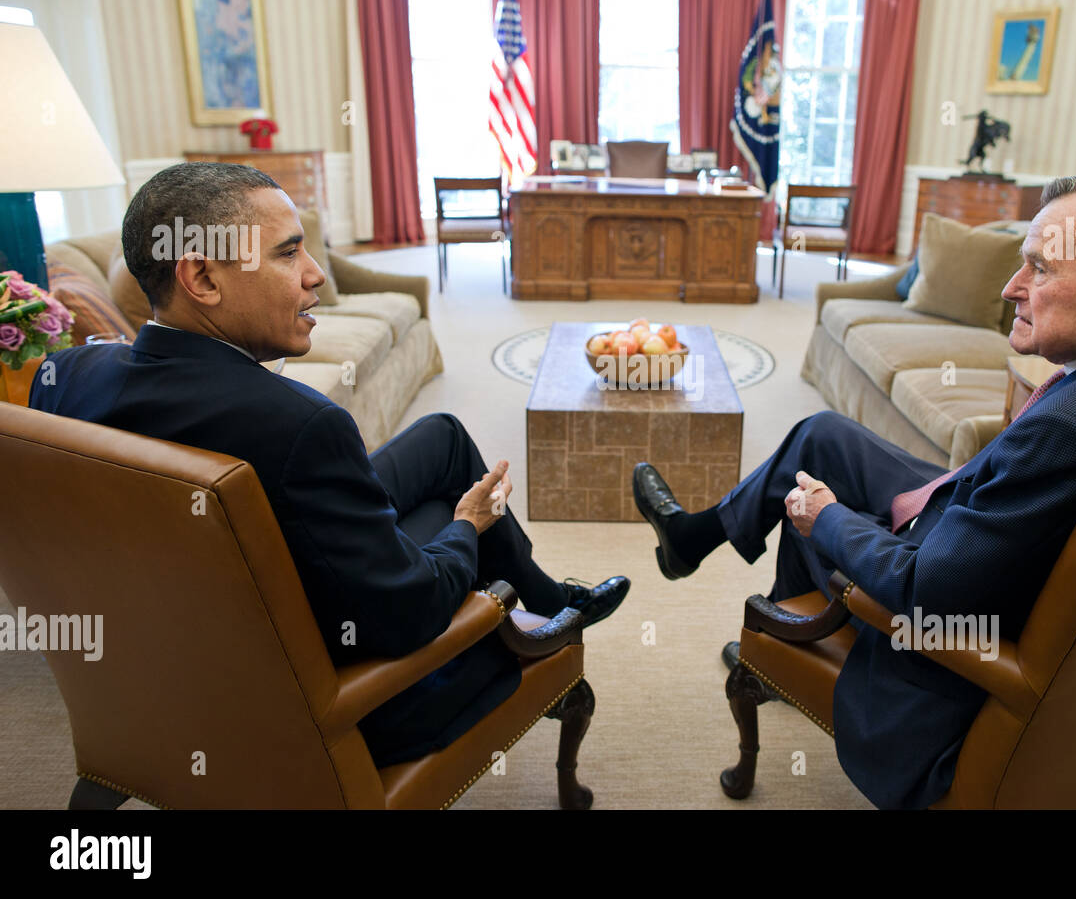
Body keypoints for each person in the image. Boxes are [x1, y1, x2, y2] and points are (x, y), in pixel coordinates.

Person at [632, 172, 1076, 809]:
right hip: (1024, 556)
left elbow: (926, 594)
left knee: (809, 496)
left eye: (1038, 268)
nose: (1012, 287)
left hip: (957, 638)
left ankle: (778, 616)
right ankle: (698, 539)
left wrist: (828, 519)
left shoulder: (1069, 433)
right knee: (822, 438)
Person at [31, 161, 629, 768]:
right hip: (345, 698)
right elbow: (411, 614)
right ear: (202, 278)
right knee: (455, 509)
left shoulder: (64, 379)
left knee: (443, 437)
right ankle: (545, 614)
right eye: (289, 254)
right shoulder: (299, 425)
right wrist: (467, 525)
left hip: (172, 652)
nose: (316, 274)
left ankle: (548, 595)